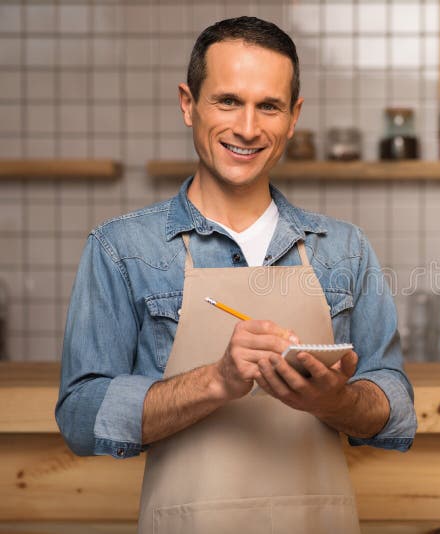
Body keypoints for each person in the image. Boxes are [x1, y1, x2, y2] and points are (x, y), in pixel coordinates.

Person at [55, 17, 416, 533]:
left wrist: (340, 401)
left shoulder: (345, 250)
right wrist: (216, 381)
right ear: (188, 103)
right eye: (227, 101)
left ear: (294, 117)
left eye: (268, 106)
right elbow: (80, 418)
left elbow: (396, 409)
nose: (247, 128)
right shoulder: (121, 249)